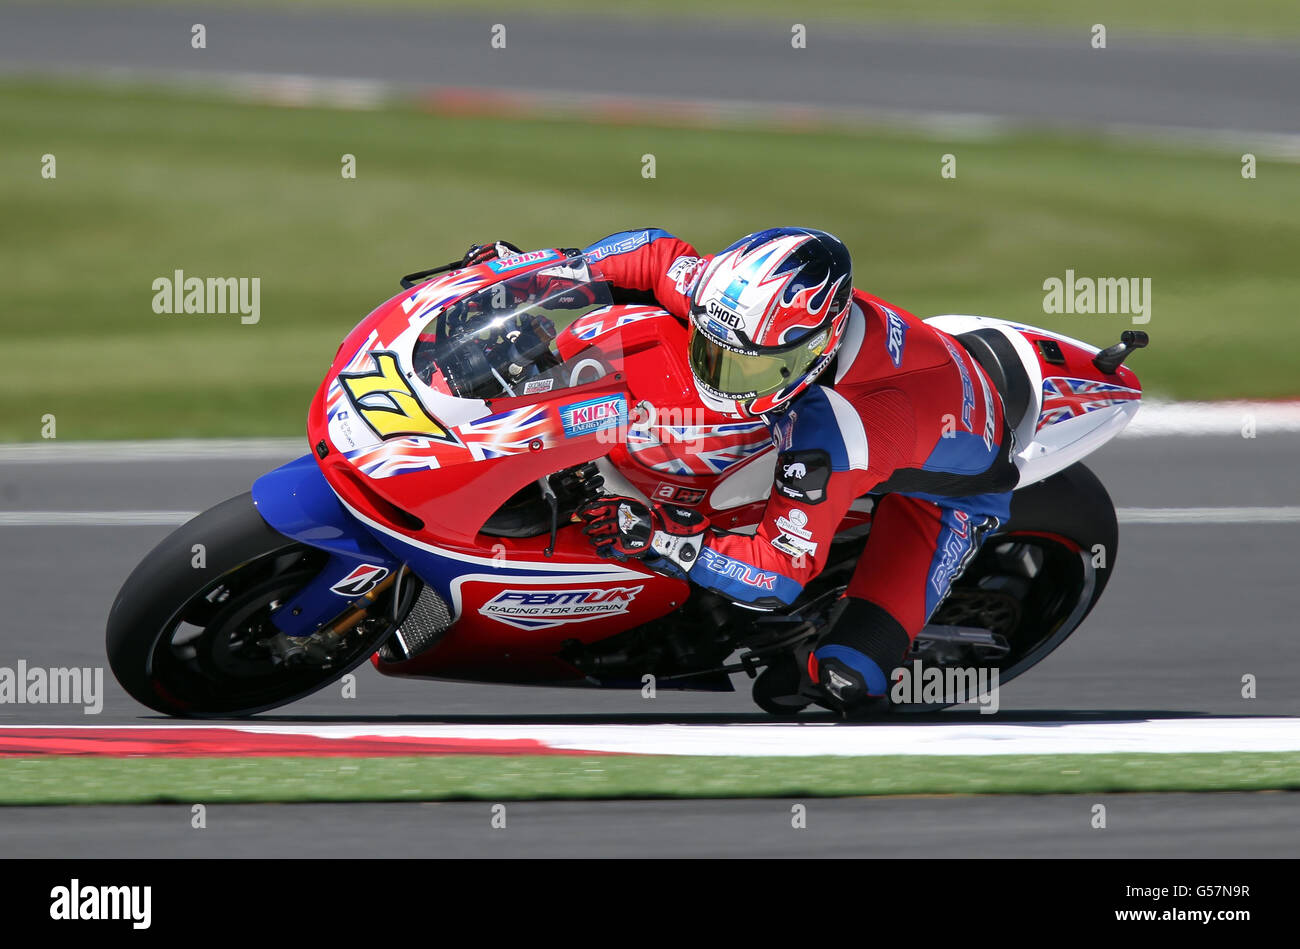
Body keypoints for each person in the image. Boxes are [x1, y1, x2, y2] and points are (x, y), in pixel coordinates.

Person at [467, 229, 1019, 714]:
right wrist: (530, 276)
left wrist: (665, 539)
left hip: (944, 495)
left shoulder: (839, 429)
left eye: (748, 366)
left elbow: (780, 572)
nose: (719, 376)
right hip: (887, 393)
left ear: (816, 349)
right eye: (712, 350)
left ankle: (868, 659)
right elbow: (657, 254)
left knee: (844, 676)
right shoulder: (732, 304)